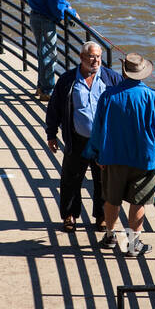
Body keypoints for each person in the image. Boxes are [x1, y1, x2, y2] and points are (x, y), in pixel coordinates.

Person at [85, 51, 155, 256]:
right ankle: (133, 244)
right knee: (138, 201)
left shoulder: (108, 96)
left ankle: (109, 235)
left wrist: (96, 153)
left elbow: (97, 129)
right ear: (143, 74)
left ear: (123, 72)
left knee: (111, 199)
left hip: (113, 157)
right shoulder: (154, 98)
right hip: (143, 159)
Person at [45, 41, 121, 231]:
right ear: (81, 58)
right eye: (91, 57)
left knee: (103, 179)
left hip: (103, 141)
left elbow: (125, 102)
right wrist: (51, 134)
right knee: (71, 178)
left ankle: (102, 216)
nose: (95, 61)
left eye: (98, 57)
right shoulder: (67, 80)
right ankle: (70, 215)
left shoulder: (111, 78)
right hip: (76, 138)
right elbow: (54, 107)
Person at [26, 0, 80, 101]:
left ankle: (41, 86)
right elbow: (57, 8)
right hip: (44, 20)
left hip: (37, 16)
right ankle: (47, 91)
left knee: (43, 53)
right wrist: (72, 14)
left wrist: (67, 7)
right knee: (49, 55)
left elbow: (56, 0)